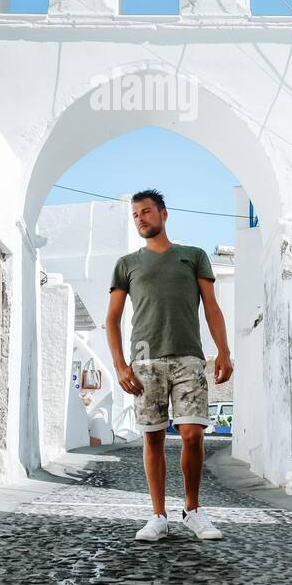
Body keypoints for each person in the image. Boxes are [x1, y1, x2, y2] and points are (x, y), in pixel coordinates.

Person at [105, 189, 234, 543]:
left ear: (164, 214)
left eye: (146, 212)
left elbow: (212, 307)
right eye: (135, 215)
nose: (140, 219)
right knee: (154, 437)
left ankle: (192, 511)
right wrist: (120, 366)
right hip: (145, 360)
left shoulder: (192, 257)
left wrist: (223, 351)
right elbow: (112, 319)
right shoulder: (127, 264)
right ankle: (158, 516)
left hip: (189, 358)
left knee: (192, 434)